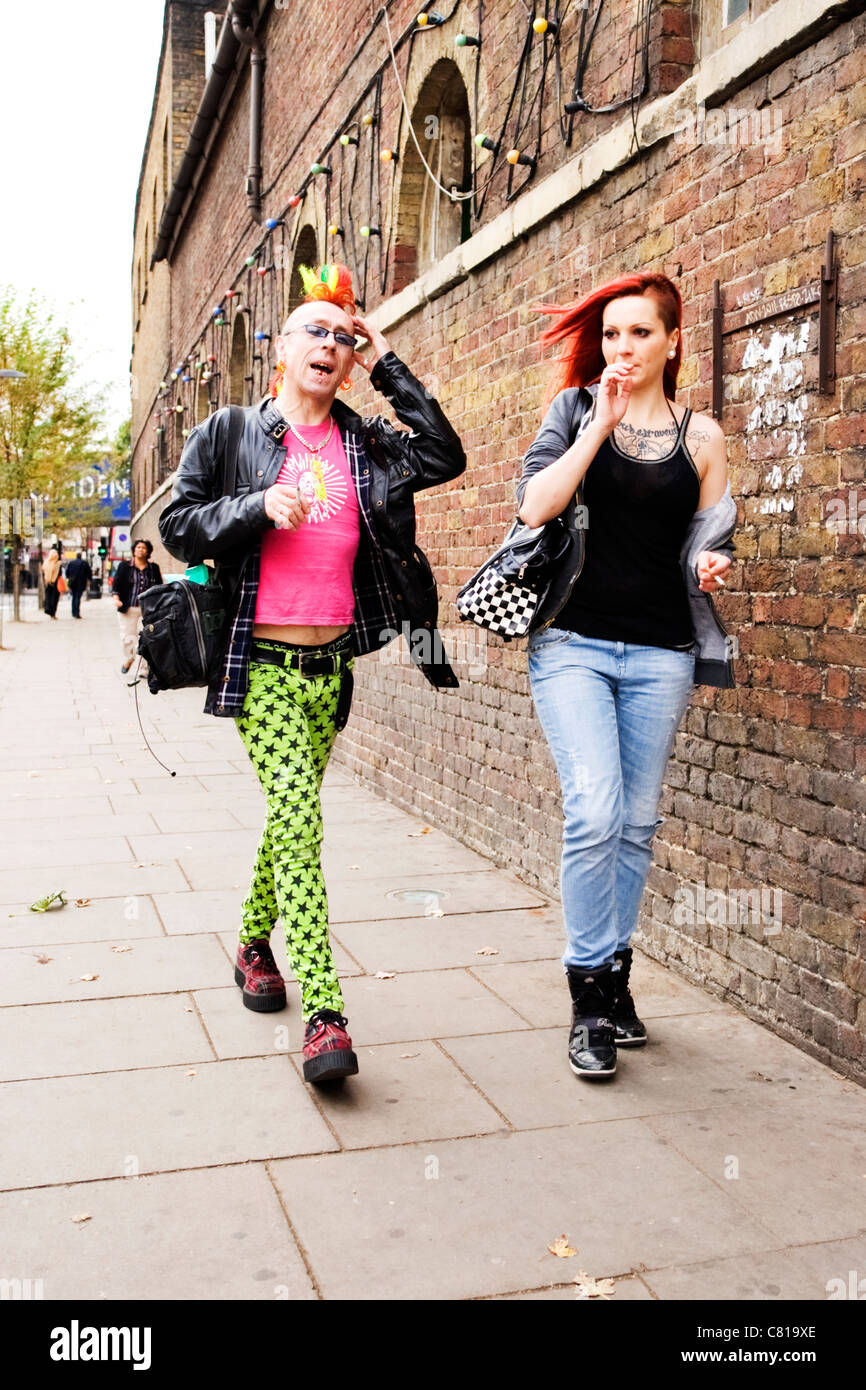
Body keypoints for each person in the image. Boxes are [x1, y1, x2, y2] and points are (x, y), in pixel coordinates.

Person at [159, 263, 466, 1084]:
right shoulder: (231, 432)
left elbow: (444, 455)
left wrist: (386, 361)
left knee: (289, 819)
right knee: (302, 822)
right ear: (281, 355)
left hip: (331, 668)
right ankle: (325, 1015)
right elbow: (180, 527)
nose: (329, 344)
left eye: (341, 335)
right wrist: (256, 507)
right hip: (258, 662)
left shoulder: (365, 444)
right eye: (314, 333)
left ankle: (253, 945)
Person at [517, 271, 736, 1081]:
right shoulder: (576, 410)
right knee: (596, 808)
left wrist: (712, 563)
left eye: (640, 333)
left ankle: (615, 978)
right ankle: (586, 998)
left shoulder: (704, 438)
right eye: (612, 334)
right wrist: (596, 426)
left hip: (661, 652)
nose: (623, 348)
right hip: (572, 641)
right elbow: (535, 507)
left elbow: (707, 542)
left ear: (673, 342)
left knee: (637, 824)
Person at [112, 540, 163, 673]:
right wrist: (116, 599)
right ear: (134, 550)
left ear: (148, 551)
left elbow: (159, 588)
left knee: (147, 638)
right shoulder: (124, 566)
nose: (140, 549)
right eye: (138, 547)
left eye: (144, 548)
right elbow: (116, 585)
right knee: (128, 638)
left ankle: (144, 669)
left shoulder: (154, 568)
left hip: (147, 610)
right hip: (128, 608)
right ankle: (129, 658)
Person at [63, 552, 92, 619]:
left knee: (74, 597)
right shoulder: (84, 563)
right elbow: (89, 572)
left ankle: (73, 612)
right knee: (77, 597)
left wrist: (69, 577)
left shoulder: (71, 563)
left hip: (72, 582)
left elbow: (67, 572)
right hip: (81, 582)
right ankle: (77, 613)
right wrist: (89, 579)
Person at [42, 544, 62, 618]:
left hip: (48, 582)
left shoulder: (46, 562)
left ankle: (48, 610)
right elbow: (59, 574)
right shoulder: (57, 564)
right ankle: (53, 613)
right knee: (54, 598)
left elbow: (43, 571)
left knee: (48, 597)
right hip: (55, 583)